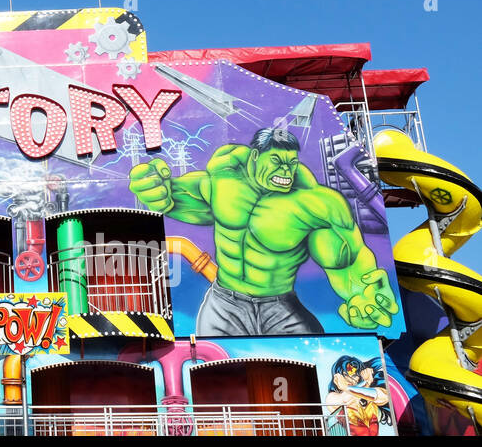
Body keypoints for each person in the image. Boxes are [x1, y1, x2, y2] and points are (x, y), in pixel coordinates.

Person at [128, 127, 398, 335]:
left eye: (291, 163)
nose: (286, 170)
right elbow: (178, 197)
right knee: (212, 377)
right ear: (255, 156)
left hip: (282, 308)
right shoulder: (225, 180)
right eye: (277, 160)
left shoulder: (314, 204)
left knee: (312, 371)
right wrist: (156, 190)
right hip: (223, 304)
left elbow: (346, 260)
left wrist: (360, 292)